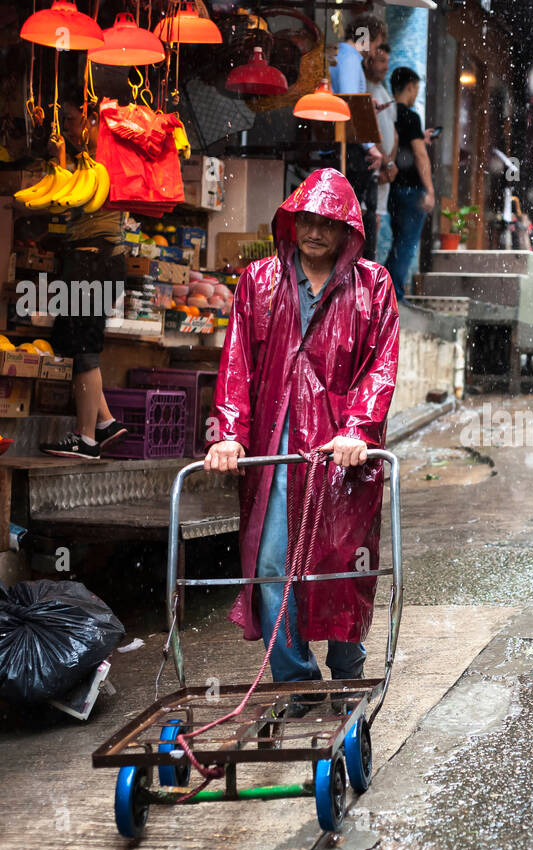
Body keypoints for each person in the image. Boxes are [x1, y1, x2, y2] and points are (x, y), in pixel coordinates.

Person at [205, 168, 400, 704]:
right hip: (275, 445)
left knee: (340, 561)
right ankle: (296, 681)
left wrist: (358, 428)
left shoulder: (374, 286)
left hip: (341, 449)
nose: (315, 231)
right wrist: (229, 432)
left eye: (327, 223)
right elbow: (237, 363)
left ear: (347, 231)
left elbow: (381, 367)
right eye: (306, 220)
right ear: (292, 222)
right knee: (270, 563)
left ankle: (347, 664)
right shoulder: (258, 281)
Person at [40, 100, 128, 459]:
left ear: (92, 120)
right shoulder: (90, 160)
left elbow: (60, 202)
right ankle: (105, 421)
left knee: (82, 350)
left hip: (93, 259)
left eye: (73, 120)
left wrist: (57, 161)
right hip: (94, 258)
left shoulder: (101, 162)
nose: (67, 128)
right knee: (74, 343)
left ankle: (87, 438)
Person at [330, 13, 387, 260]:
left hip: (342, 141)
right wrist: (369, 146)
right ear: (366, 38)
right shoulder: (350, 58)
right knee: (358, 212)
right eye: (375, 44)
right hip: (347, 145)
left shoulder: (344, 56)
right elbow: (349, 102)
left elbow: (350, 98)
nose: (374, 52)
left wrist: (367, 103)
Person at [384, 66, 435, 299]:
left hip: (392, 189)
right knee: (406, 245)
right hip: (411, 190)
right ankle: (393, 296)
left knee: (399, 242)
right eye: (416, 89)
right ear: (411, 87)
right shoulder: (410, 116)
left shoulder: (388, 113)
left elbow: (399, 144)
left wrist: (420, 137)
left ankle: (384, 292)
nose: (416, 95)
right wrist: (430, 190)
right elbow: (419, 155)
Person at [366, 43, 397, 264]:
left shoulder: (384, 92)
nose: (385, 66)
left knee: (377, 217)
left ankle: (370, 268)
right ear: (369, 61)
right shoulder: (364, 88)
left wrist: (392, 161)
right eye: (380, 60)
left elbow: (392, 131)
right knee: (367, 215)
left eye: (387, 61)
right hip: (373, 162)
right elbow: (367, 128)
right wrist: (386, 162)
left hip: (386, 163)